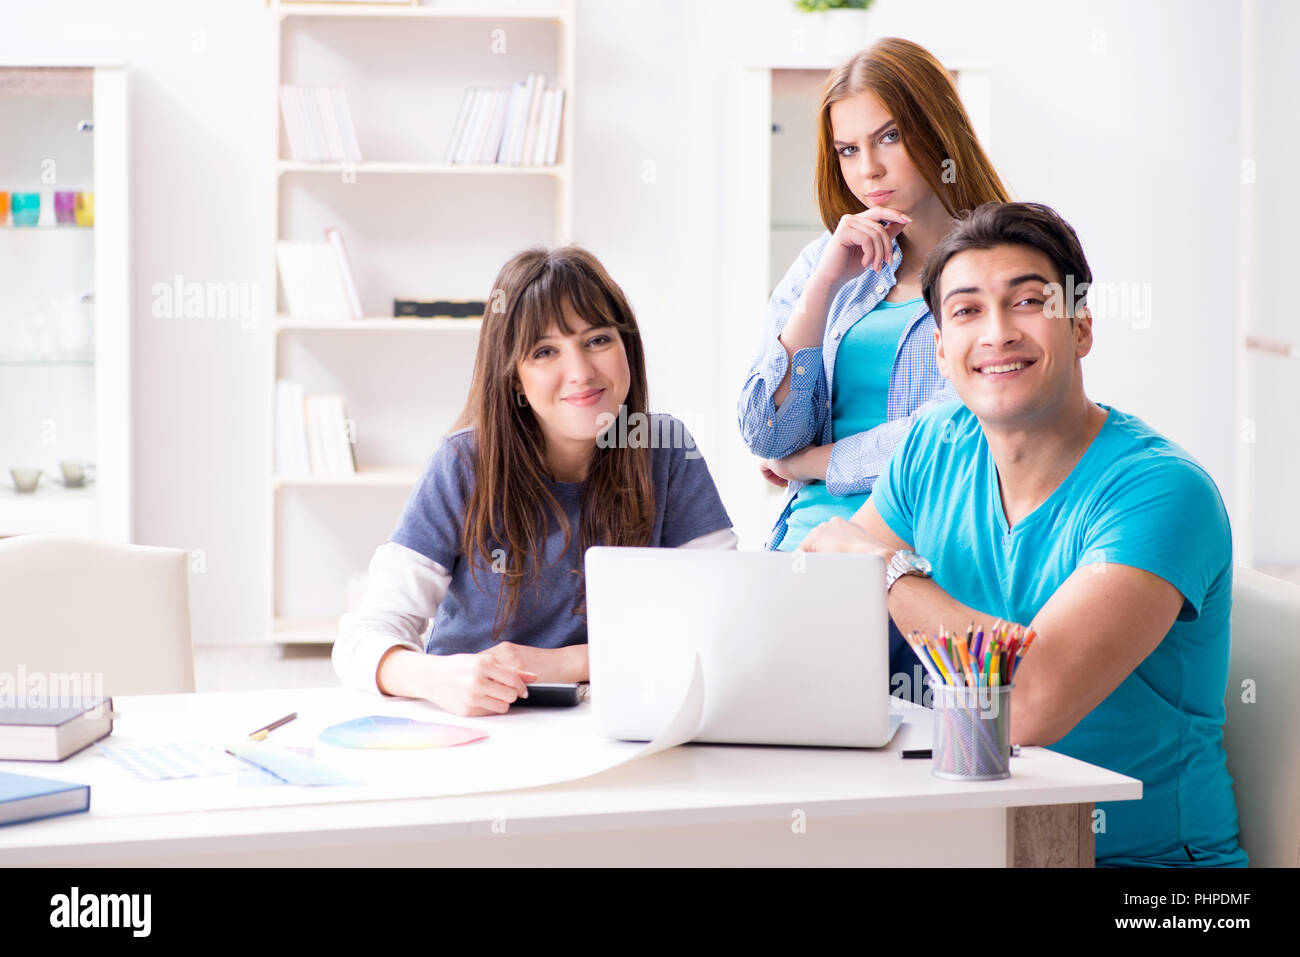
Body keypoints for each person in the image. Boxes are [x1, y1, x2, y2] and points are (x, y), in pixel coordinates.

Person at [801, 201, 1247, 867]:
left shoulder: (1161, 492)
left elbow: (1028, 701)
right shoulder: (933, 447)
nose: (998, 332)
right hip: (974, 841)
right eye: (967, 310)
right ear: (942, 352)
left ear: (1082, 326)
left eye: (1028, 301)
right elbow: (833, 587)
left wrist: (888, 569)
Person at [332, 246, 737, 716]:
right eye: (545, 352)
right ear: (514, 379)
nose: (581, 373)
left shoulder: (663, 449)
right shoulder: (465, 462)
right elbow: (360, 639)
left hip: (611, 717)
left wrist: (563, 662)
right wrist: (435, 676)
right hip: (478, 727)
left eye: (598, 340)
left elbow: (724, 616)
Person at [737, 36, 1010, 553]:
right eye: (848, 149)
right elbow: (767, 434)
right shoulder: (825, 261)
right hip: (803, 550)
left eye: (889, 137)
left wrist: (811, 464)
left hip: (925, 557)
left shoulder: (1004, 262)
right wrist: (822, 287)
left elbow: (957, 437)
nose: (869, 169)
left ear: (938, 131)